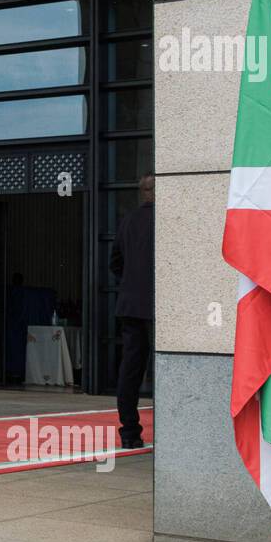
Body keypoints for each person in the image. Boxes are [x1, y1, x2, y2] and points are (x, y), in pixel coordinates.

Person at [111, 174, 155, 449]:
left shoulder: (128, 221)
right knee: (160, 367)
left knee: (130, 370)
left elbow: (115, 262)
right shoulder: (165, 219)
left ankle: (129, 432)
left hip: (130, 305)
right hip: (157, 305)